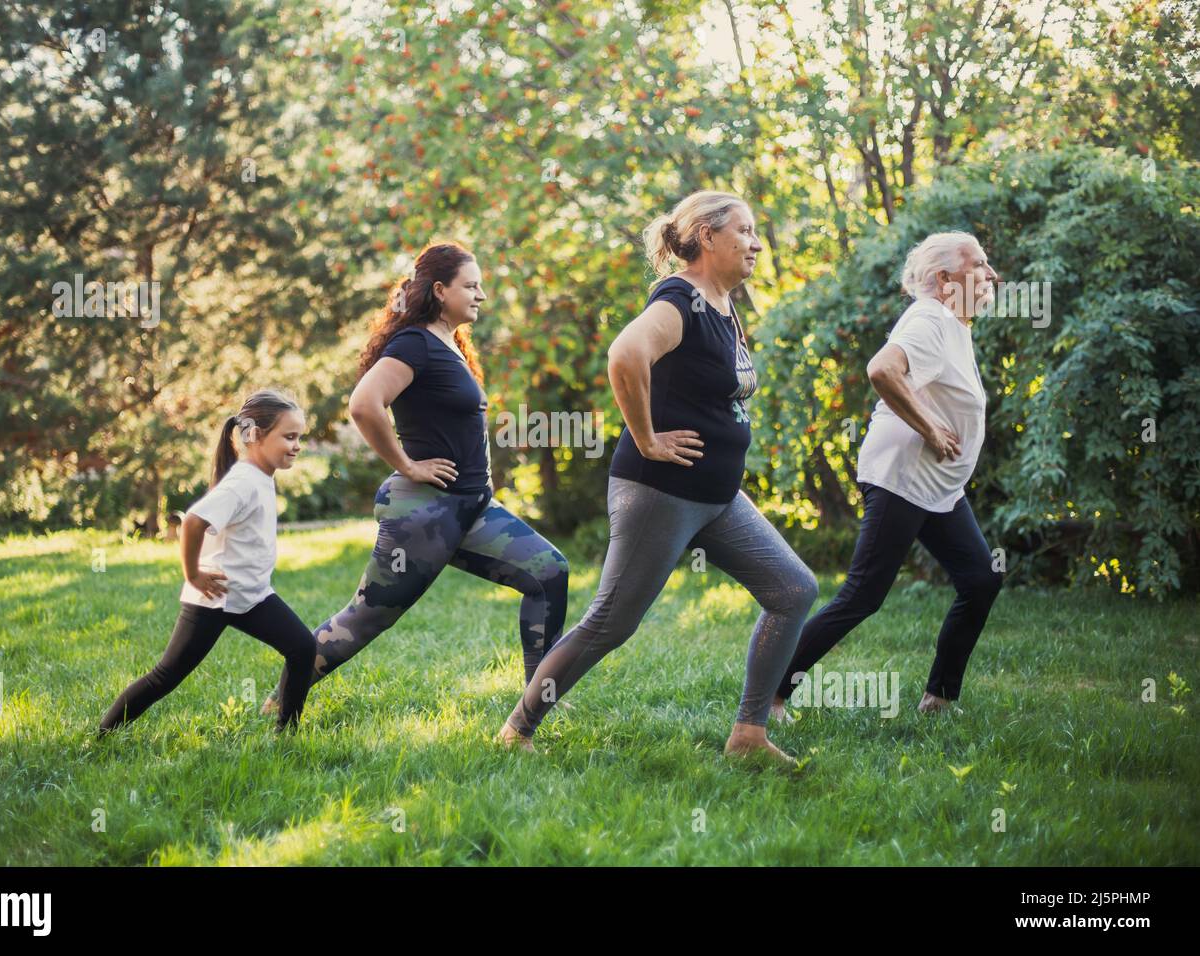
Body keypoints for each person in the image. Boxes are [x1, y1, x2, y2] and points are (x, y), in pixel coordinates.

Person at [498, 191, 818, 765]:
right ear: (705, 237)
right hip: (660, 494)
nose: (756, 242)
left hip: (717, 497)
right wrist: (646, 438)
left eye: (755, 231)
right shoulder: (680, 299)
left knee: (792, 590)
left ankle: (748, 736)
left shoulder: (723, 305)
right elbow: (626, 355)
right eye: (743, 231)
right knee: (611, 623)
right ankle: (518, 728)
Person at [262, 241, 570, 715]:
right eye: (471, 285)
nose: (481, 295)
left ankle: (536, 705)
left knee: (548, 572)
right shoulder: (415, 343)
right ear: (440, 289)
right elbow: (364, 404)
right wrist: (407, 465)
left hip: (471, 507)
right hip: (424, 513)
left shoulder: (450, 344)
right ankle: (279, 702)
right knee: (366, 619)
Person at [771, 232, 1003, 721]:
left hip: (937, 489)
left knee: (981, 579)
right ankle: (768, 697)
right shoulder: (930, 317)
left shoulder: (952, 323)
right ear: (945, 279)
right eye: (979, 264)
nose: (992, 274)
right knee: (862, 596)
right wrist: (931, 430)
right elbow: (882, 370)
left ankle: (938, 700)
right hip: (903, 480)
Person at [99, 389, 316, 734]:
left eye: (299, 437)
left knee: (303, 648)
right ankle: (102, 734)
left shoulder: (261, 476)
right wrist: (193, 574)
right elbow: (193, 521)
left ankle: (286, 735)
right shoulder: (243, 482)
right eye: (289, 437)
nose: (296, 445)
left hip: (251, 596)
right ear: (255, 436)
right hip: (215, 599)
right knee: (166, 676)